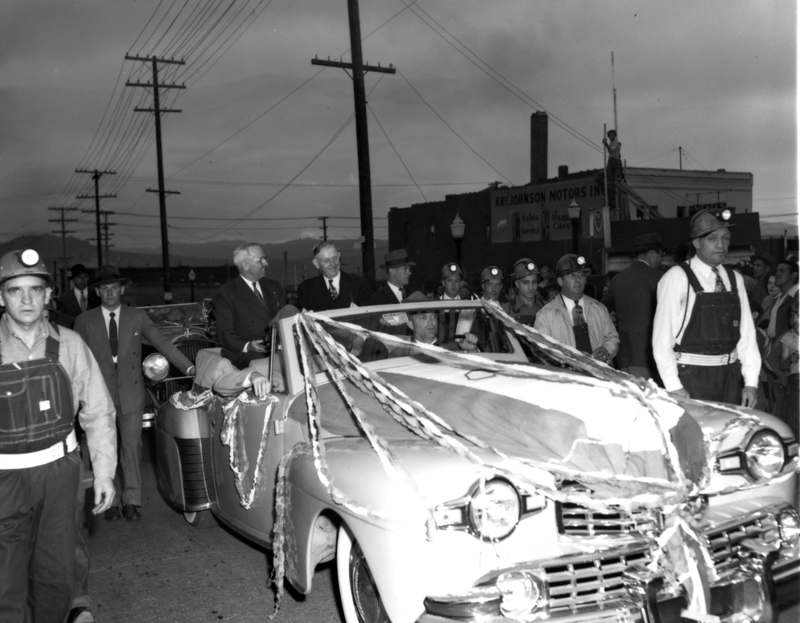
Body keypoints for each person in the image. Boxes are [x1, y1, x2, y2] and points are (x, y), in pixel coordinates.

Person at [0, 249, 116, 623]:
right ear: (0, 296)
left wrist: (103, 472)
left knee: (55, 577)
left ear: (49, 294)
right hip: (4, 480)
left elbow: (98, 411)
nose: (27, 299)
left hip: (59, 474)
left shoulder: (69, 344)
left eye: (35, 289)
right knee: (5, 581)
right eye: (16, 290)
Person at [75, 265, 195, 522]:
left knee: (132, 447)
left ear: (122, 289)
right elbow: (75, 358)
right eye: (104, 288)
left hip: (131, 392)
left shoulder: (136, 317)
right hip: (98, 395)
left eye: (114, 288)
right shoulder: (84, 321)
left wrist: (188, 365)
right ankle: (111, 500)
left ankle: (132, 500)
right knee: (103, 448)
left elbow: (161, 341)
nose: (109, 293)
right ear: (97, 291)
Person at [652, 209, 760, 406]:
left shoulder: (735, 279)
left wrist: (751, 382)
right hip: (692, 378)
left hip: (731, 378)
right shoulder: (677, 277)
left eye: (725, 238)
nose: (721, 245)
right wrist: (674, 386)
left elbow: (747, 336)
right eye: (713, 239)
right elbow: (661, 341)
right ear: (696, 242)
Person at [601, 232, 664, 380]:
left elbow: (601, 311)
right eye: (660, 256)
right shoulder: (658, 278)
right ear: (653, 254)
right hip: (651, 359)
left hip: (624, 359)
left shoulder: (617, 280)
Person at [214, 243, 287, 369]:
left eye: (265, 258)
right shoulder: (226, 293)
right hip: (246, 354)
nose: (266, 263)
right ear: (245, 265)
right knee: (266, 364)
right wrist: (247, 345)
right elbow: (225, 333)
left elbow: (285, 318)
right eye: (261, 260)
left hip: (277, 348)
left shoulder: (274, 286)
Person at [534, 254, 618, 362]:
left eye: (581, 274)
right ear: (560, 281)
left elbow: (612, 337)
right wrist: (570, 357)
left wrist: (607, 351)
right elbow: (542, 351)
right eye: (571, 275)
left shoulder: (599, 309)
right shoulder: (545, 315)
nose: (578, 279)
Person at [297, 241, 370, 312]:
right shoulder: (306, 289)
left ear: (339, 256)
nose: (332, 264)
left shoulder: (358, 283)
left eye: (334, 258)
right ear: (316, 263)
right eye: (326, 260)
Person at [775, 297, 799, 438]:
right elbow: (782, 365)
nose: (795, 320)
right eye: (792, 316)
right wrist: (789, 360)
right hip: (795, 386)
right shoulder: (788, 337)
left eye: (799, 316)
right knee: (795, 421)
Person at [764, 259, 799, 343]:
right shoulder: (777, 298)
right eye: (777, 271)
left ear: (794, 275)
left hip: (788, 350)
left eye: (782, 271)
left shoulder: (797, 298)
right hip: (774, 347)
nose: (777, 274)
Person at [508, 258, 544, 326]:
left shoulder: (547, 307)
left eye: (534, 282)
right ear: (517, 284)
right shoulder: (505, 310)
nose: (531, 287)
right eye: (525, 283)